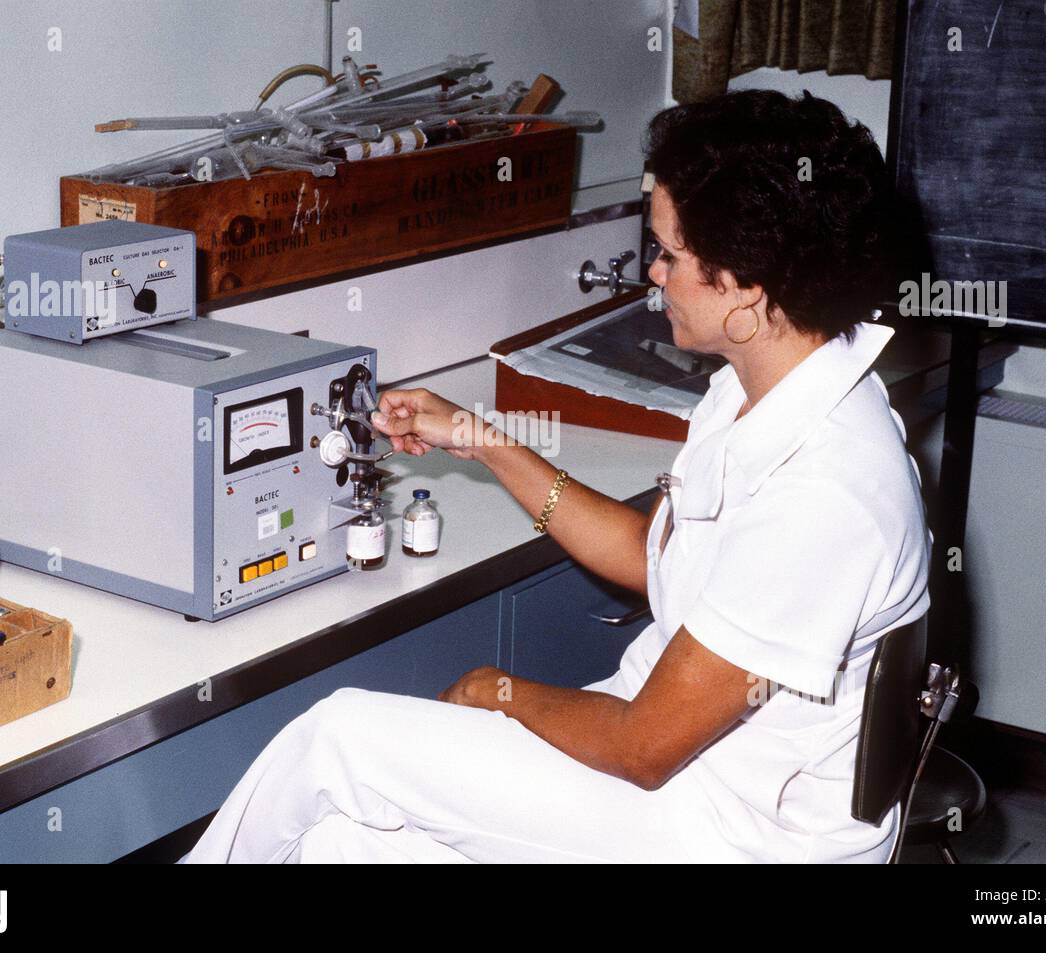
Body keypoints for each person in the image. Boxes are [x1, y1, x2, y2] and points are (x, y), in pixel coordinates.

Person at [184, 89, 931, 864]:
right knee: (345, 844)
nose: (654, 272)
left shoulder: (825, 488)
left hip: (727, 827)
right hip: (688, 772)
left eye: (670, 254)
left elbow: (645, 747)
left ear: (743, 287)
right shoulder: (764, 380)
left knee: (337, 737)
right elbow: (654, 551)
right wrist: (480, 439)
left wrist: (499, 692)